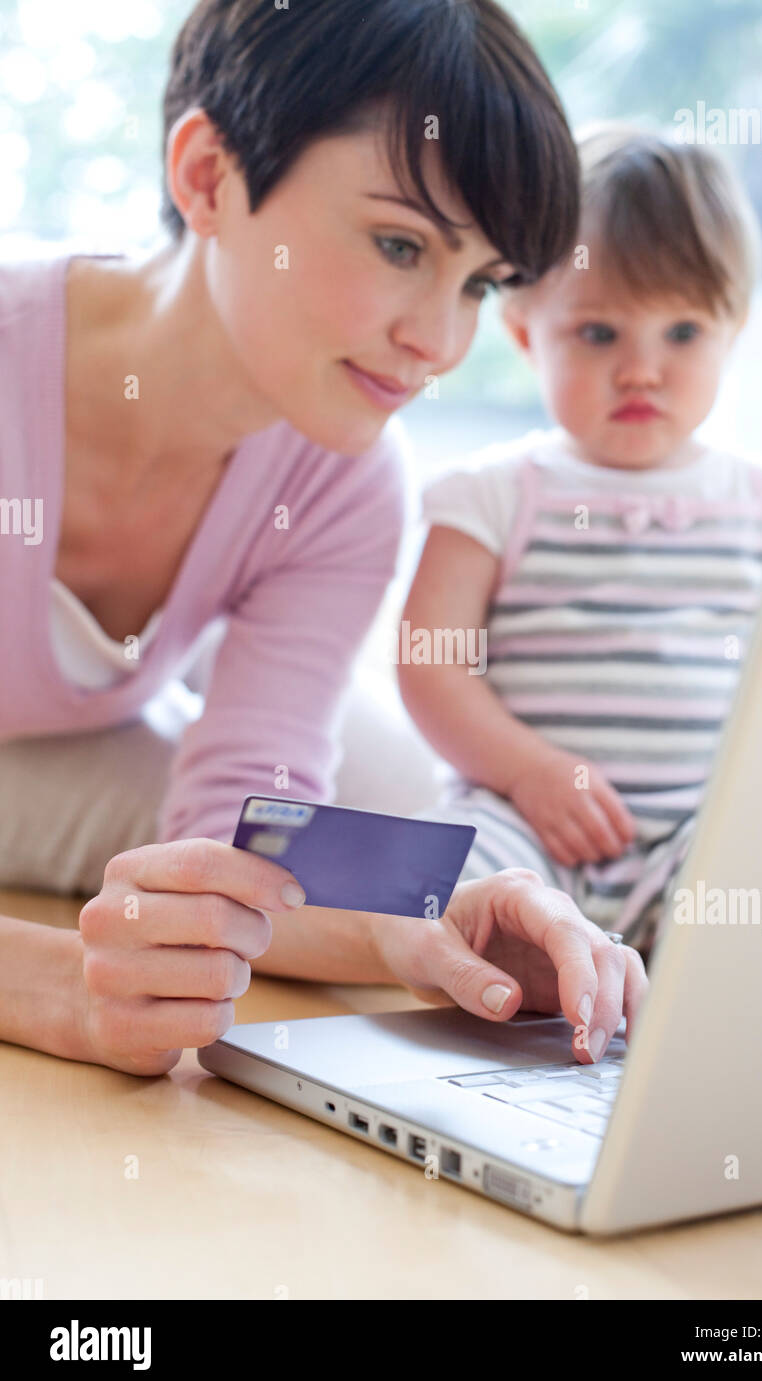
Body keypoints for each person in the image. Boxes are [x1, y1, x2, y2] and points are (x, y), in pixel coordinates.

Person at [0, 2, 647, 1078]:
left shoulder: (343, 480)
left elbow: (240, 839)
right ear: (208, 176)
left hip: (67, 735)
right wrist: (40, 979)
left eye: (479, 283)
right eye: (400, 245)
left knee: (401, 823)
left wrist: (424, 931)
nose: (437, 343)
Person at [400, 121, 762, 960]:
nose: (642, 370)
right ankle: (561, 972)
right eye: (599, 334)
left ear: (734, 328)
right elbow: (432, 664)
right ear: (524, 335)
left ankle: (643, 989)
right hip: (523, 823)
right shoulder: (491, 494)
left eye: (683, 333)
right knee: (447, 893)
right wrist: (527, 770)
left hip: (699, 833)